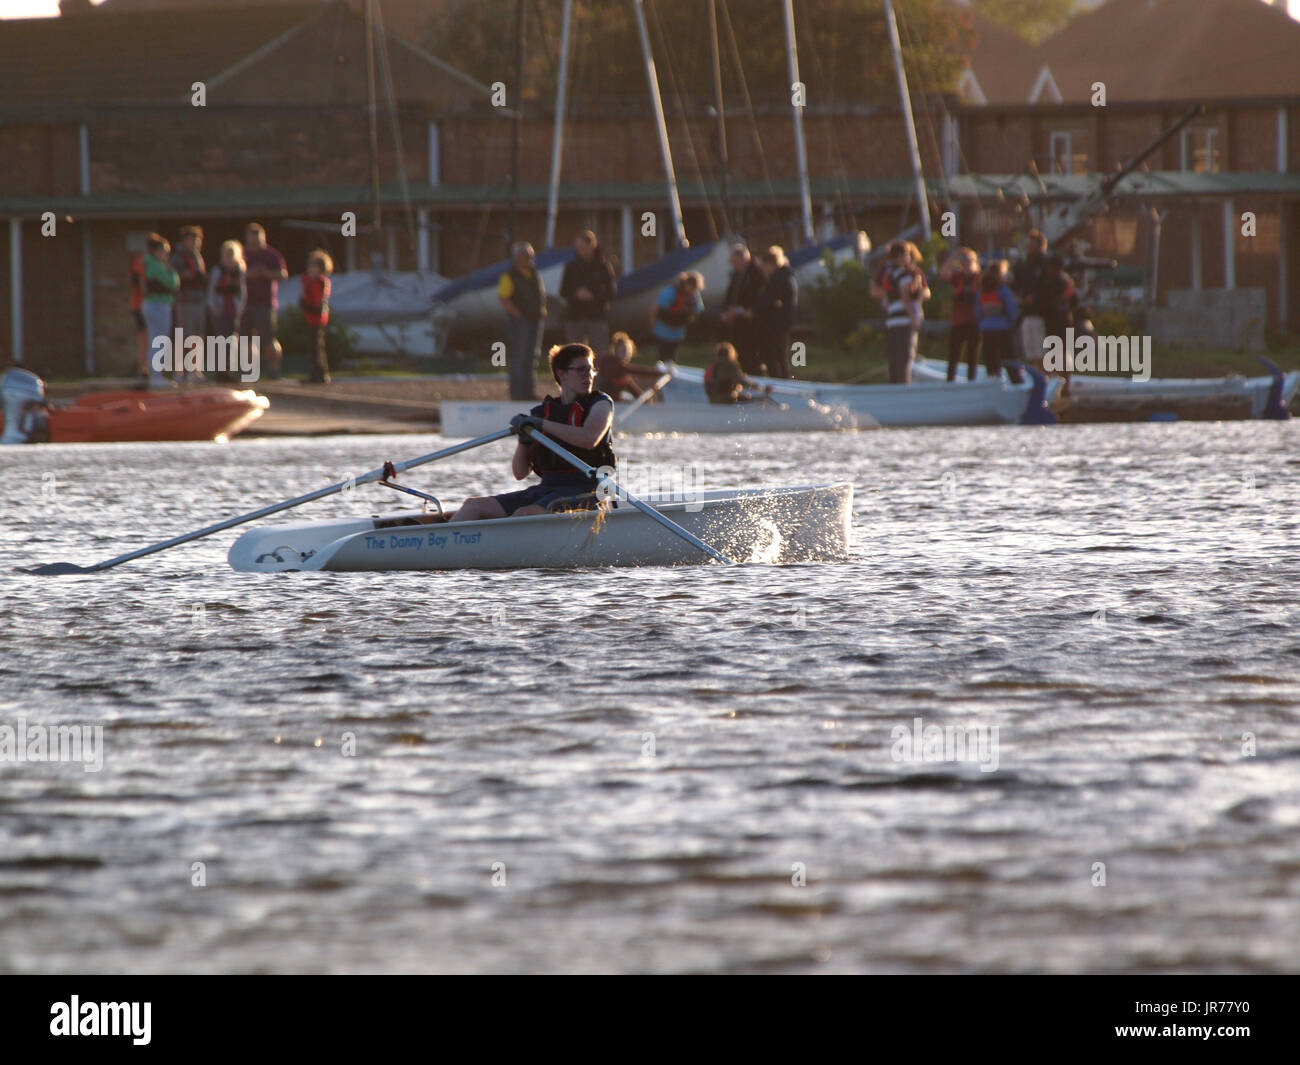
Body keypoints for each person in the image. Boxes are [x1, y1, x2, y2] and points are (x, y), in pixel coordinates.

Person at [449, 343, 615, 521]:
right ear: (562, 374)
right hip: (547, 489)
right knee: (473, 506)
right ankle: (442, 544)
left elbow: (589, 439)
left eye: (591, 370)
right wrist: (524, 440)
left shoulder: (601, 403)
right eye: (581, 370)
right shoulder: (541, 413)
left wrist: (541, 424)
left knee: (523, 514)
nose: (588, 376)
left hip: (588, 492)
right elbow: (520, 473)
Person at [498, 241, 547, 401]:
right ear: (518, 257)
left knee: (532, 357)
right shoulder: (510, 275)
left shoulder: (534, 273)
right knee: (519, 356)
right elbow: (503, 298)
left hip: (535, 320)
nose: (530, 258)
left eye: (531, 255)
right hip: (520, 322)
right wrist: (517, 314)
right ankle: (517, 393)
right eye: (527, 255)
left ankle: (529, 391)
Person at [878, 241, 928, 384]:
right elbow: (905, 296)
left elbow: (886, 301)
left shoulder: (889, 274)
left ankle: (894, 388)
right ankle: (904, 389)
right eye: (906, 254)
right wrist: (914, 317)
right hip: (904, 319)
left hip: (891, 320)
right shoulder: (905, 275)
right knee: (906, 359)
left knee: (894, 359)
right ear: (900, 256)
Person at [559, 230, 616, 353]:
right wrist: (576, 294)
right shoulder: (571, 267)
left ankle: (599, 373)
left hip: (596, 316)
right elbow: (563, 291)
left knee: (600, 353)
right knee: (574, 353)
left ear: (592, 246)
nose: (580, 250)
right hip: (574, 316)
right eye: (578, 247)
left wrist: (594, 296)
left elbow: (611, 292)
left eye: (583, 247)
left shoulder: (603, 267)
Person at [243, 223, 288, 379]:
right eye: (251, 237)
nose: (254, 241)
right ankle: (249, 371)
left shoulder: (272, 255)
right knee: (246, 339)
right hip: (244, 303)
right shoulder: (242, 254)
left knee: (268, 338)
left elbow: (283, 274)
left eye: (257, 237)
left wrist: (266, 273)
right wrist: (249, 274)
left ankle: (275, 368)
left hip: (265, 303)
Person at [169, 225, 207, 383]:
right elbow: (175, 276)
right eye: (193, 239)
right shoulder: (178, 257)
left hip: (198, 300)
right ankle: (179, 369)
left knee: (198, 335)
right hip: (184, 301)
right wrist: (188, 275)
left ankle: (195, 369)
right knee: (184, 335)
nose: (196, 243)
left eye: (197, 240)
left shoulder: (197, 257)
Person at [141, 234, 179, 389]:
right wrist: (171, 272)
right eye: (164, 251)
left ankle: (156, 375)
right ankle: (156, 377)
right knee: (159, 340)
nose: (166, 254)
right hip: (158, 305)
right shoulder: (156, 265)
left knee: (156, 340)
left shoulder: (151, 264)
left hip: (155, 305)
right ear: (156, 251)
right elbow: (173, 282)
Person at [753, 245, 797, 379]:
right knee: (779, 356)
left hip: (777, 324)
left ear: (770, 264)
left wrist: (754, 311)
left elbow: (768, 299)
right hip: (782, 322)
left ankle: (781, 382)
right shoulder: (784, 276)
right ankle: (784, 379)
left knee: (773, 356)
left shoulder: (779, 278)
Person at [720, 242, 765, 373]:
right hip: (737, 322)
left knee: (751, 354)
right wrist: (728, 310)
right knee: (739, 353)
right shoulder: (736, 274)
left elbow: (757, 296)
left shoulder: (755, 273)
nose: (733, 265)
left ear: (743, 259)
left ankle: (755, 377)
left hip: (751, 322)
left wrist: (742, 309)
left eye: (735, 262)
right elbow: (730, 295)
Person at [975, 260, 1022, 383]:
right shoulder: (1003, 290)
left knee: (991, 359)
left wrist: (983, 323)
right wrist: (1012, 323)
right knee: (1009, 357)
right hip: (1003, 328)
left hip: (986, 329)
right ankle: (1016, 382)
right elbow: (1011, 309)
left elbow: (978, 312)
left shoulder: (982, 291)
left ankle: (993, 381)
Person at [206, 239, 247, 378]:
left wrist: (240, 307)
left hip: (232, 309)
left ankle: (229, 370)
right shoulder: (218, 270)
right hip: (219, 308)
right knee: (220, 339)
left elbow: (242, 291)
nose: (229, 258)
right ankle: (219, 371)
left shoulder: (239, 270)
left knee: (232, 339)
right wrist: (213, 306)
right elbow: (212, 290)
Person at [941, 246, 981, 381]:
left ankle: (972, 381)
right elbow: (944, 272)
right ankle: (950, 381)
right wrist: (954, 257)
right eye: (964, 262)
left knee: (972, 355)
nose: (967, 265)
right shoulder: (958, 278)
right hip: (958, 322)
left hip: (975, 323)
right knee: (954, 355)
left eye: (969, 261)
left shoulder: (980, 278)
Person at [649, 270, 704, 364]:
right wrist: (652, 326)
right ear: (685, 283)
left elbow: (698, 310)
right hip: (662, 331)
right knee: (663, 358)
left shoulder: (694, 294)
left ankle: (671, 375)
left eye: (694, 289)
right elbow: (655, 309)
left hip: (678, 333)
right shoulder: (670, 292)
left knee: (672, 358)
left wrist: (689, 320)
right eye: (691, 287)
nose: (692, 291)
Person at [1011, 229, 1048, 365]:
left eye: (1033, 246)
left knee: (1042, 351)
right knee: (1031, 352)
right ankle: (1037, 377)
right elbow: (1017, 285)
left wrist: (1036, 298)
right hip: (1027, 313)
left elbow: (1048, 288)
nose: (1029, 248)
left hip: (1042, 314)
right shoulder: (1022, 265)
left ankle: (1046, 378)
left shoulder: (1045, 266)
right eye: (1028, 246)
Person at [299, 249, 334, 384]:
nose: (311, 270)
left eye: (315, 266)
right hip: (311, 317)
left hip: (317, 318)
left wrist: (307, 305)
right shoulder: (309, 281)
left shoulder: (320, 282)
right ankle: (317, 372)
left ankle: (319, 373)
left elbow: (317, 303)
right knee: (314, 346)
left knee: (316, 346)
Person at [594, 331, 662, 400]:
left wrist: (645, 396)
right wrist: (660, 372)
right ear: (615, 350)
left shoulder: (623, 373)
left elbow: (631, 386)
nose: (626, 354)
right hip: (602, 401)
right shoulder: (611, 363)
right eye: (623, 350)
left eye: (629, 351)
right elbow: (638, 371)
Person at [704, 342, 770, 404]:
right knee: (757, 399)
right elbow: (741, 381)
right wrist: (760, 388)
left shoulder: (713, 365)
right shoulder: (729, 365)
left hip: (712, 399)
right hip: (725, 399)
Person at [128, 249, 149, 384]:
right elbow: (141, 285)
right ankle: (142, 369)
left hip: (142, 305)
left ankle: (144, 368)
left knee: (146, 337)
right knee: (144, 337)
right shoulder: (142, 261)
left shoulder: (146, 261)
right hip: (140, 305)